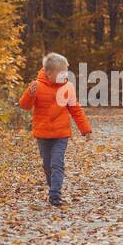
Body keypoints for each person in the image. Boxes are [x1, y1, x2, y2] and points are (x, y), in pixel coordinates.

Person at [18, 53, 92, 206]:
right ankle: (53, 187)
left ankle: (55, 194)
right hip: (43, 134)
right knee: (47, 164)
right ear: (49, 73)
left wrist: (85, 129)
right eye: (62, 72)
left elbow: (75, 109)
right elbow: (25, 106)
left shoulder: (67, 87)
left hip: (61, 133)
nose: (65, 75)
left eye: (66, 72)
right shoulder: (36, 86)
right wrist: (29, 95)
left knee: (57, 163)